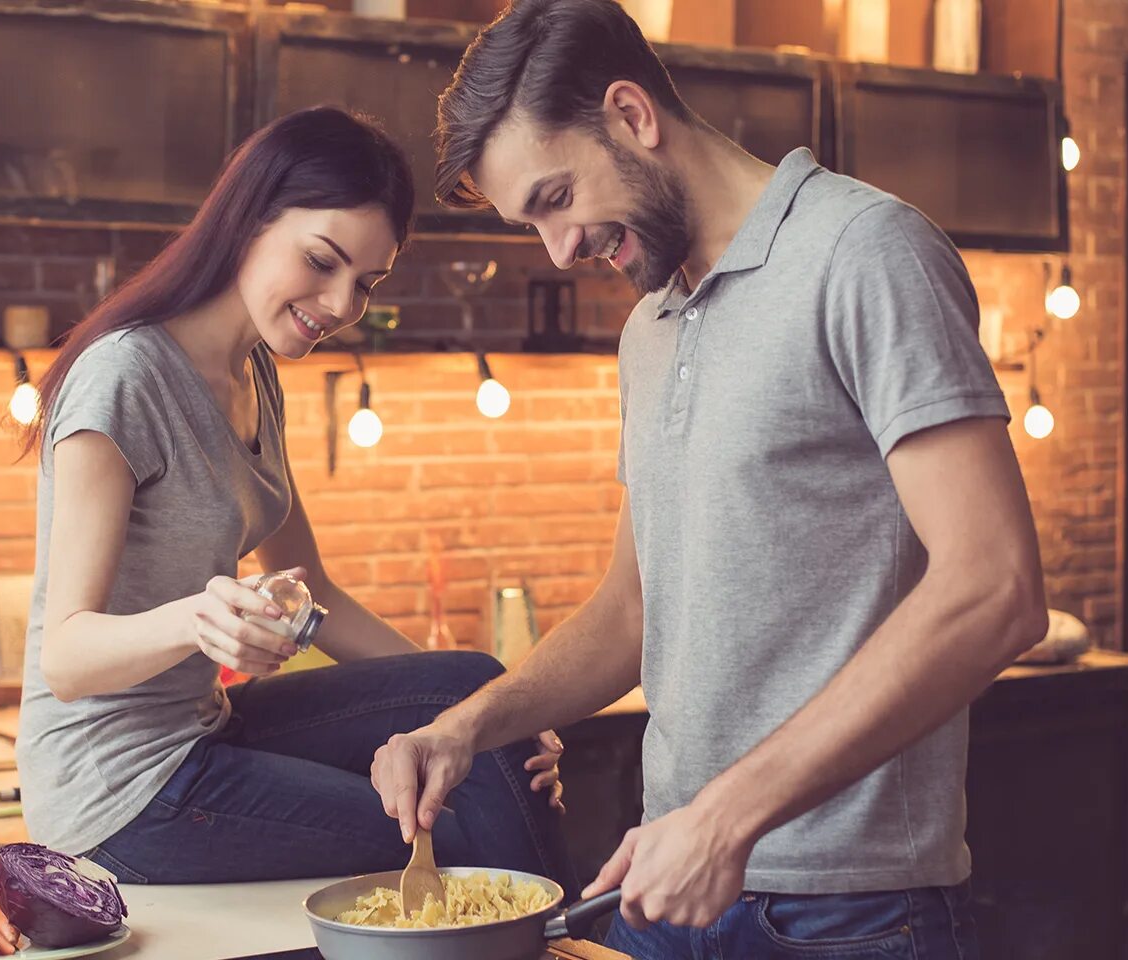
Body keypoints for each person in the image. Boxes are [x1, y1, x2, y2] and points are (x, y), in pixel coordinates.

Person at [369, 1, 1048, 955]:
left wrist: (725, 821)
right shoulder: (648, 329)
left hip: (847, 911)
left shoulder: (864, 254)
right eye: (534, 222)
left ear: (632, 114)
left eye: (557, 199)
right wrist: (464, 729)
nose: (559, 250)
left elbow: (997, 590)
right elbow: (630, 612)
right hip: (666, 889)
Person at [14, 106, 567, 887]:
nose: (343, 304)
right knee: (459, 824)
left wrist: (492, 719)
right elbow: (65, 657)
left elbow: (318, 595)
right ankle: (567, 940)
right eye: (321, 260)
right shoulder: (125, 377)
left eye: (365, 282)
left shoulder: (255, 372)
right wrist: (199, 619)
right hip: (120, 792)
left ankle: (560, 927)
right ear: (247, 222)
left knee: (472, 680)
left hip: (206, 731)